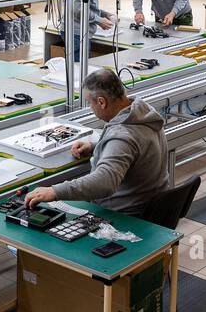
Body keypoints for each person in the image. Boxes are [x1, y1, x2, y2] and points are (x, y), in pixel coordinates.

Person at [24, 68, 169, 217]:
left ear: (101, 102)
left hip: (125, 217)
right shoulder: (142, 113)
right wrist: (96, 146)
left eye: (89, 103)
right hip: (152, 207)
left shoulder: (123, 136)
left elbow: (104, 181)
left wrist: (54, 191)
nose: (91, 108)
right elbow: (134, 149)